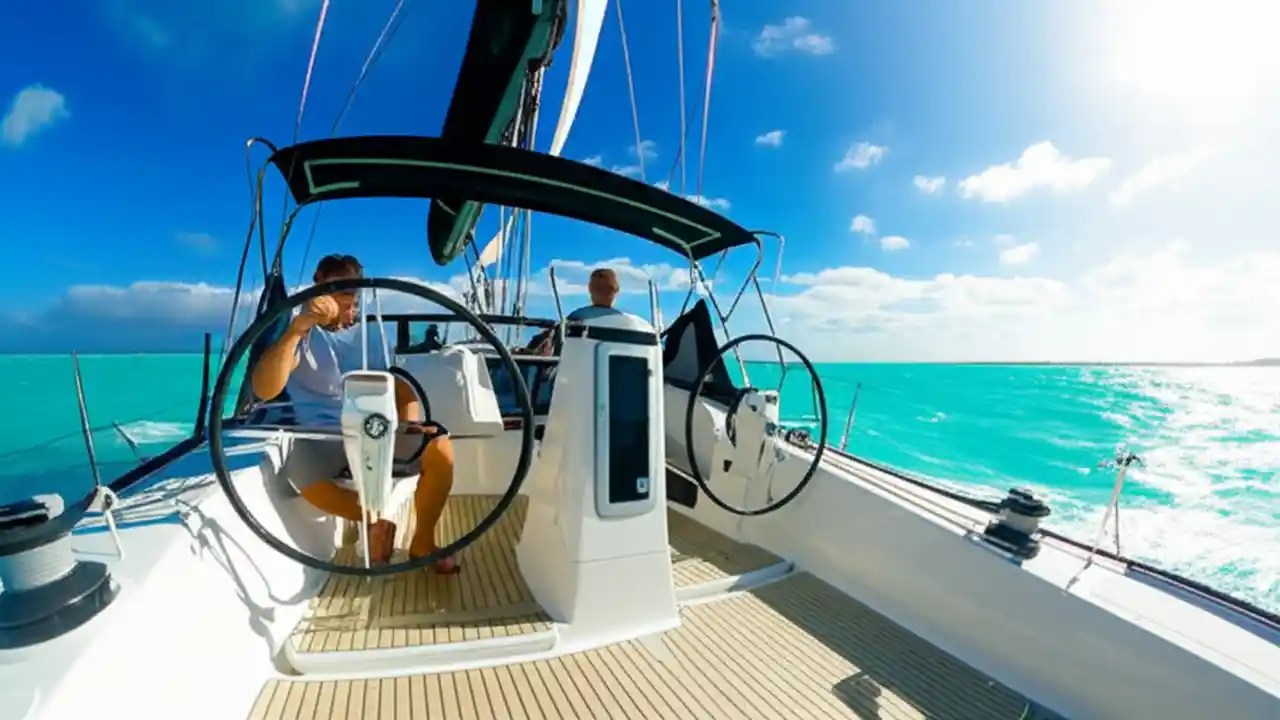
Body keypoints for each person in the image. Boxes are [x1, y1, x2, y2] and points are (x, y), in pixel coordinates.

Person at [250, 254, 459, 573]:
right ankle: (376, 521)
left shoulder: (373, 333)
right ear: (319, 287)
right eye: (342, 296)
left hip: (376, 430)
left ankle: (422, 544)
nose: (352, 310)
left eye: (354, 299)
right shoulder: (300, 333)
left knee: (440, 446)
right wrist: (298, 327)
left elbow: (401, 389)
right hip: (323, 436)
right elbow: (265, 389)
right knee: (299, 474)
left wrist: (409, 425)